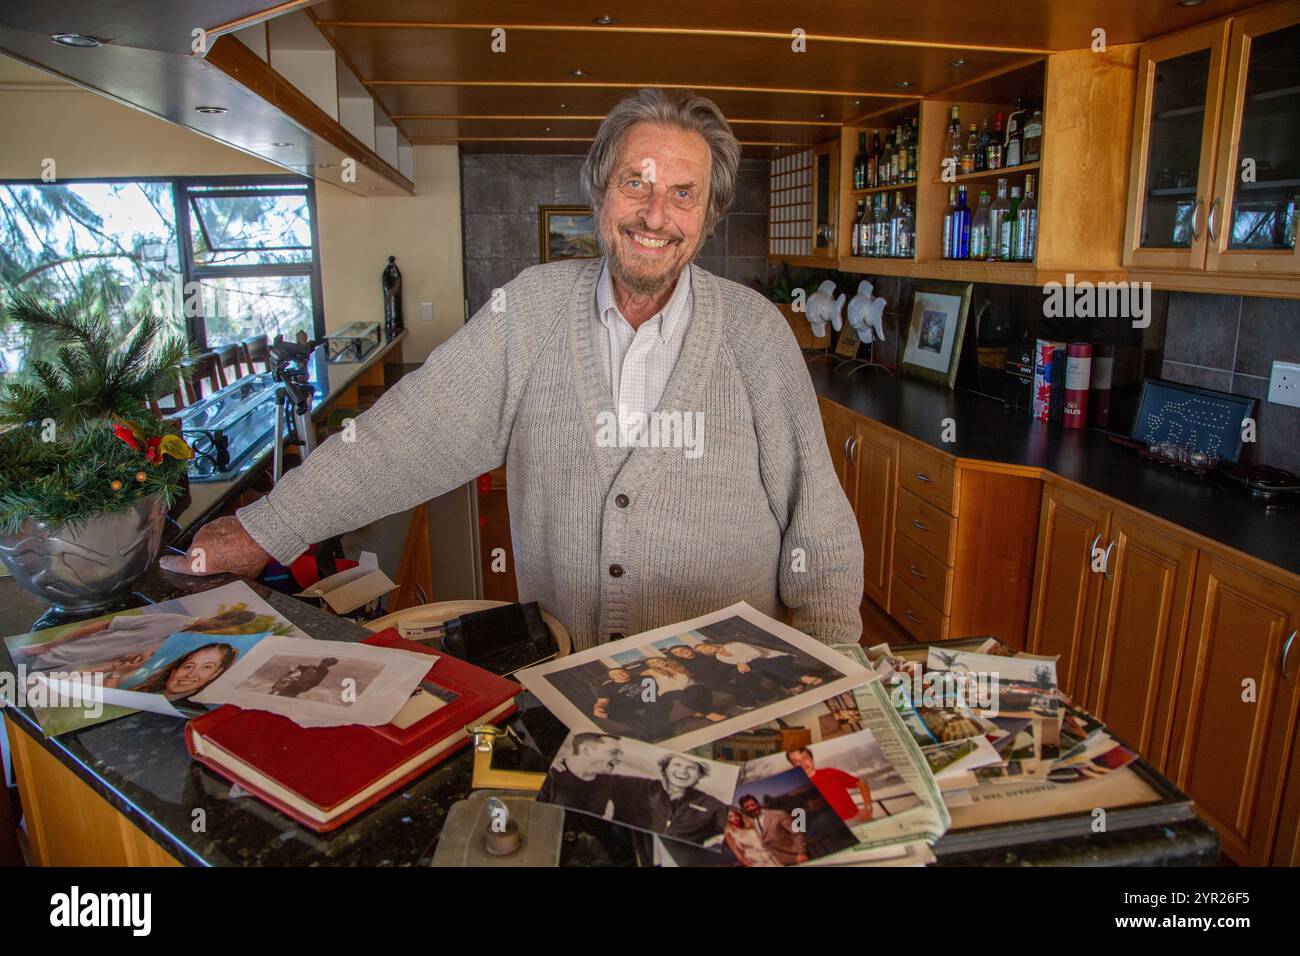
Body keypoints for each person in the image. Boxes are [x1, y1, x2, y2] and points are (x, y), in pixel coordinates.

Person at [161, 87, 864, 652]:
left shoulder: (755, 333)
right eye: (635, 183)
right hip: (571, 692)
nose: (656, 214)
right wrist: (266, 526)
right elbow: (410, 432)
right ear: (600, 193)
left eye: (684, 193)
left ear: (707, 217)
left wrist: (838, 672)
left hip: (730, 698)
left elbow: (820, 525)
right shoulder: (529, 311)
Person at [15, 609, 257, 673]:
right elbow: (103, 625)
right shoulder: (171, 619)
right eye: (219, 624)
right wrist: (48, 645)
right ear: (218, 618)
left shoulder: (188, 642)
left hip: (71, 669)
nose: (215, 629)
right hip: (49, 654)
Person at [618, 755, 728, 846]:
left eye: (692, 768)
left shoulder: (711, 804)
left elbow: (734, 825)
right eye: (677, 764)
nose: (683, 771)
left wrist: (719, 838)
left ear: (699, 775)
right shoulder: (642, 787)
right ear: (665, 769)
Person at [537, 733, 625, 817]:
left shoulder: (609, 785)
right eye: (614, 752)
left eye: (621, 754)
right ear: (586, 750)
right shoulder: (549, 775)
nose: (621, 759)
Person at [786, 747, 873, 826]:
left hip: (856, 820)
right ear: (793, 766)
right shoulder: (796, 788)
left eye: (805, 758)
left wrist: (868, 808)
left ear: (811, 758)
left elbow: (862, 784)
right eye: (796, 761)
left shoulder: (830, 773)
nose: (802, 763)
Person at [129, 643, 239, 701]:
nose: (191, 674)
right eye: (188, 666)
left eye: (207, 667)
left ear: (215, 674)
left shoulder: (192, 712)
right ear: (175, 669)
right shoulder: (143, 690)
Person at [738, 794, 807, 865]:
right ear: (744, 809)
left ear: (758, 804)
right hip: (773, 863)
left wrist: (801, 853)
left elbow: (797, 833)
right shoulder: (749, 822)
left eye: (753, 805)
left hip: (794, 857)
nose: (751, 808)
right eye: (747, 807)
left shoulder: (779, 814)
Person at [268, 657, 338, 698]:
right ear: (322, 661)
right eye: (324, 662)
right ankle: (273, 691)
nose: (325, 664)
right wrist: (292, 669)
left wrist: (304, 687)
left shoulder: (323, 672)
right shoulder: (311, 667)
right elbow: (299, 666)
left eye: (328, 664)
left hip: (299, 687)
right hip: (293, 684)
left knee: (285, 696)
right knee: (280, 692)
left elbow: (316, 682)